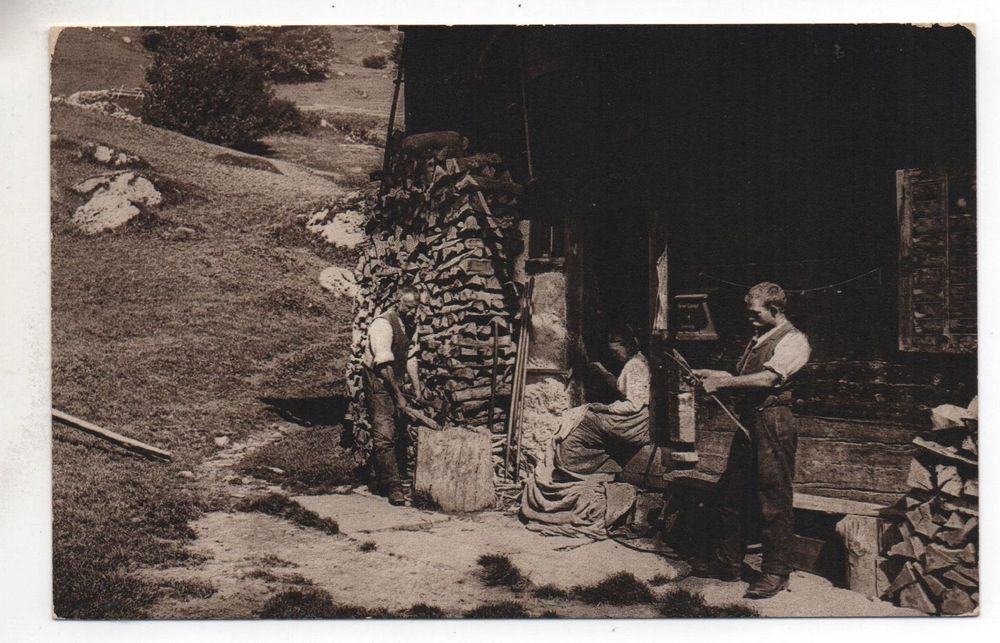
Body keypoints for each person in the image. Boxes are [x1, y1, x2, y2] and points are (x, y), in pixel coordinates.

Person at [692, 282, 811, 599]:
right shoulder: (759, 338)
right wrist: (711, 373)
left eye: (755, 313)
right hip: (750, 419)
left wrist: (724, 383)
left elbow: (769, 378)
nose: (751, 318)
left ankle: (775, 572)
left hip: (773, 420)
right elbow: (742, 375)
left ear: (775, 309)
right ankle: (728, 564)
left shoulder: (794, 341)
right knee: (733, 492)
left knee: (773, 496)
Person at [520, 327, 651, 539]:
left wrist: (605, 408)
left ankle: (571, 469)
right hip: (631, 418)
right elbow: (623, 388)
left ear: (628, 346)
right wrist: (604, 373)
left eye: (617, 351)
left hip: (632, 422)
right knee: (585, 416)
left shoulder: (636, 365)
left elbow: (633, 405)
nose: (615, 356)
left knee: (584, 423)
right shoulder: (635, 362)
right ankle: (580, 468)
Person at [361, 285, 424, 506]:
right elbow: (384, 365)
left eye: (415, 308)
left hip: (394, 378)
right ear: (398, 302)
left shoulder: (411, 325)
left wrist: (417, 389)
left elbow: (410, 357)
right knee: (384, 432)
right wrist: (398, 396)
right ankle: (393, 487)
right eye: (408, 308)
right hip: (378, 379)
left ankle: (386, 476)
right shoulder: (382, 325)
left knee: (399, 430)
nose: (412, 313)